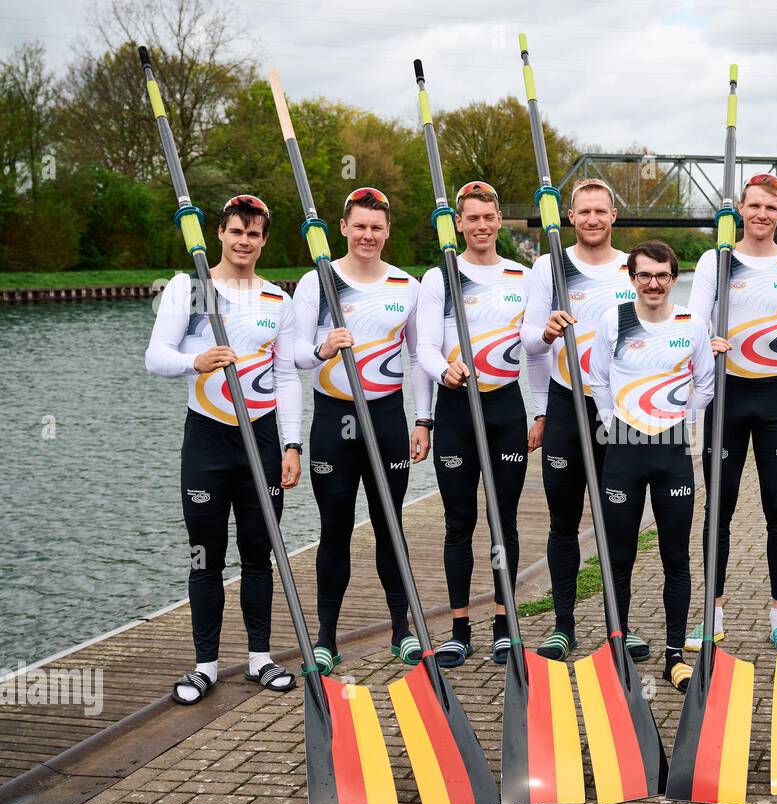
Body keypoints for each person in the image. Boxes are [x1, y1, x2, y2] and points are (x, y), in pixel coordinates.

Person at [146, 194, 301, 704]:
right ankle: (205, 666)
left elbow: (285, 377)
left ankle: (260, 658)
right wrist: (198, 362)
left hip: (261, 438)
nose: (244, 241)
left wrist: (292, 444)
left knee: (260, 554)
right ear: (220, 233)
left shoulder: (279, 300)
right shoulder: (190, 288)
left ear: (263, 241)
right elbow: (155, 357)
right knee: (205, 557)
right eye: (237, 231)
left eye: (254, 234)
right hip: (207, 440)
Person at [291, 187, 430, 674]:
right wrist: (325, 348)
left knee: (391, 526)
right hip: (334, 420)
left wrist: (423, 419)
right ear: (343, 228)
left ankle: (402, 631)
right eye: (360, 226)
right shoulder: (317, 283)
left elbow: (418, 359)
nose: (368, 235)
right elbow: (294, 356)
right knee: (335, 530)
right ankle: (327, 638)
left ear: (387, 231)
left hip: (388, 418)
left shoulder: (406, 286)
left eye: (377, 227)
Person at [686, 173, 777, 654]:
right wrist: (706, 339)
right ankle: (713, 614)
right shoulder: (715, 261)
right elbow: (693, 323)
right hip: (727, 397)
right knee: (717, 509)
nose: (762, 214)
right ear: (741, 209)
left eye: (771, 207)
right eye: (754, 205)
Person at [519, 178, 644, 662]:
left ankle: (621, 627)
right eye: (584, 211)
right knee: (563, 521)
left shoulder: (633, 268)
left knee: (619, 521)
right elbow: (527, 341)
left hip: (620, 407)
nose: (593, 219)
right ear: (570, 217)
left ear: (614, 216)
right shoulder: (549, 265)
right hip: (568, 405)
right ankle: (563, 626)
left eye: (601, 211)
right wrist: (546, 331)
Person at [588, 241, 717, 691]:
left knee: (675, 558)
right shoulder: (614, 320)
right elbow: (597, 380)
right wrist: (617, 425)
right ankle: (616, 645)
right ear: (632, 278)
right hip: (623, 451)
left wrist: (681, 423)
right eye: (644, 275)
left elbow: (704, 382)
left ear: (673, 279)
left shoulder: (692, 324)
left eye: (662, 275)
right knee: (619, 557)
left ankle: (675, 655)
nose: (653, 283)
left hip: (672, 451)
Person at [417, 181, 530, 666]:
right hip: (457, 409)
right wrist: (444, 369)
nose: (481, 226)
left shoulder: (523, 277)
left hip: (505, 409)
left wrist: (543, 408)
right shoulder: (439, 277)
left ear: (499, 221)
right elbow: (421, 347)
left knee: (502, 521)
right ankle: (460, 629)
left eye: (489, 217)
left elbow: (539, 353)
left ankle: (505, 624)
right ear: (458, 224)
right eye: (472, 219)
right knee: (458, 522)